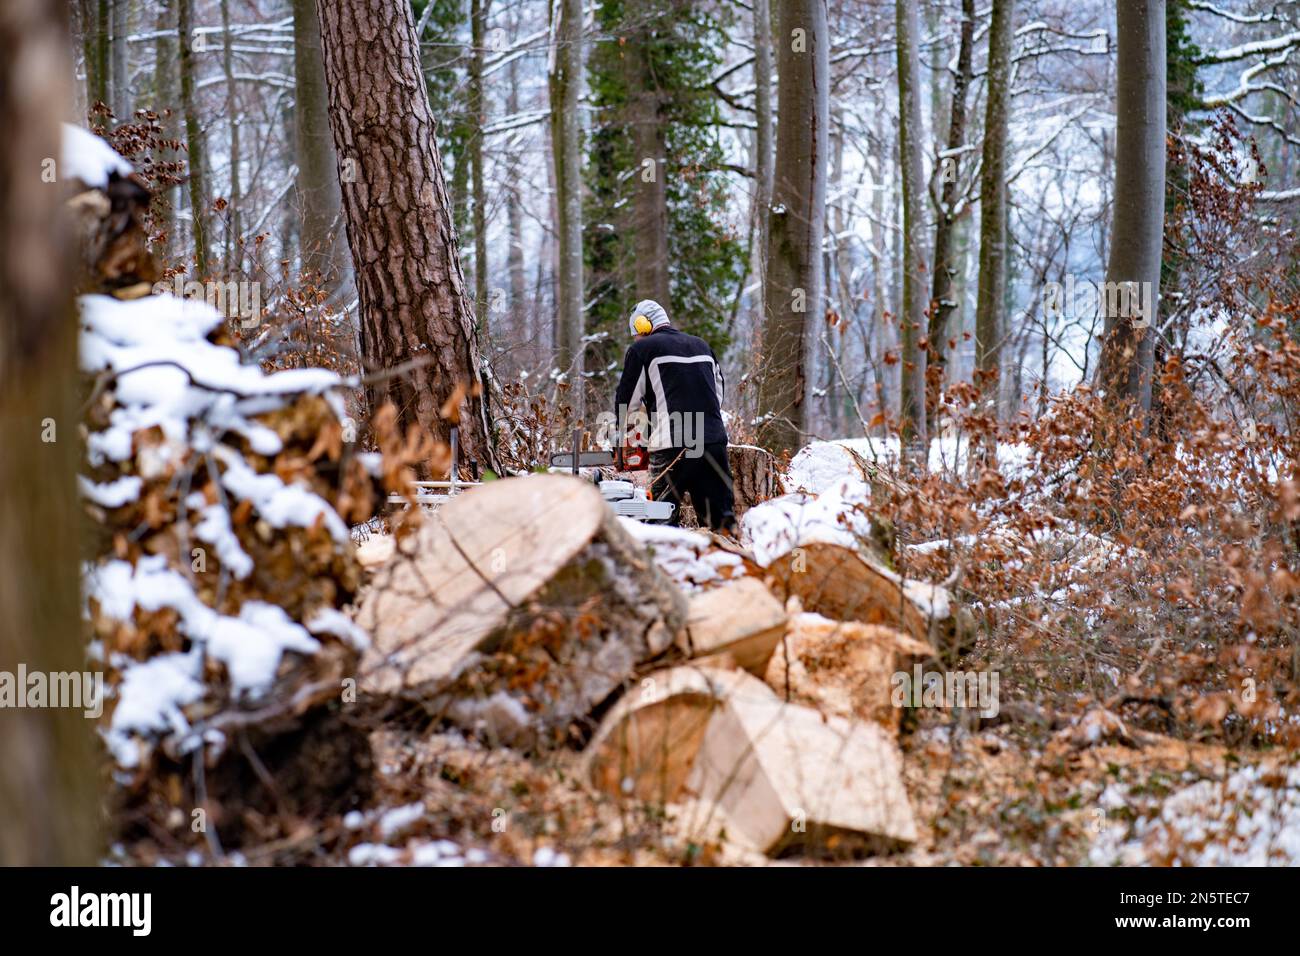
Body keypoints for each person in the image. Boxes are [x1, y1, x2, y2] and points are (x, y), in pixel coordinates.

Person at [612, 299, 735, 532]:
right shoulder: (702, 346)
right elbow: (717, 393)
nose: (635, 339)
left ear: (643, 326)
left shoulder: (642, 350)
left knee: (661, 523)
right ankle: (727, 563)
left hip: (672, 446)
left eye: (636, 333)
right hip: (713, 443)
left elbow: (626, 404)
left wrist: (621, 439)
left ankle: (667, 565)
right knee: (720, 524)